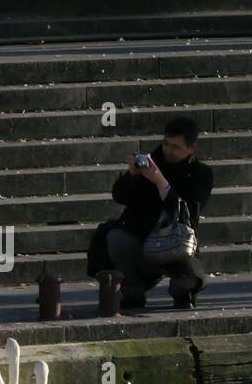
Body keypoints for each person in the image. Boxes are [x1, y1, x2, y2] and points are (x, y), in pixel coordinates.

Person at [91, 116, 213, 309]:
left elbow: (188, 211)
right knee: (115, 237)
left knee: (190, 278)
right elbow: (120, 196)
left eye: (176, 147)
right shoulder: (152, 163)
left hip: (176, 242)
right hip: (143, 240)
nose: (168, 151)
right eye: (166, 144)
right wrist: (132, 175)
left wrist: (160, 182)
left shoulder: (201, 174)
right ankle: (132, 291)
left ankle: (182, 294)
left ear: (191, 148)